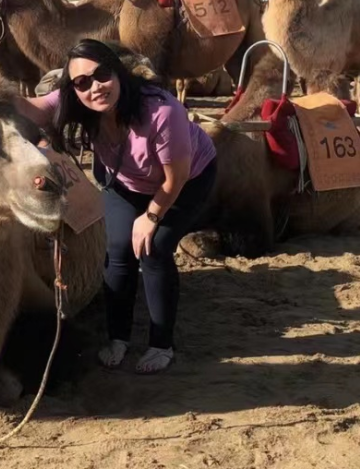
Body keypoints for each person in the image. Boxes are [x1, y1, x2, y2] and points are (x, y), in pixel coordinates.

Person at [17, 38, 216, 374]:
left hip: (184, 181)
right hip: (124, 180)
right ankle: (119, 337)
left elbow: (176, 177)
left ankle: (161, 344)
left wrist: (152, 216)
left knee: (153, 248)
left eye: (102, 75)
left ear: (118, 72)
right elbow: (31, 108)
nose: (94, 87)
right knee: (118, 248)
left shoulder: (162, 112)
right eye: (82, 82)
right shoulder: (78, 101)